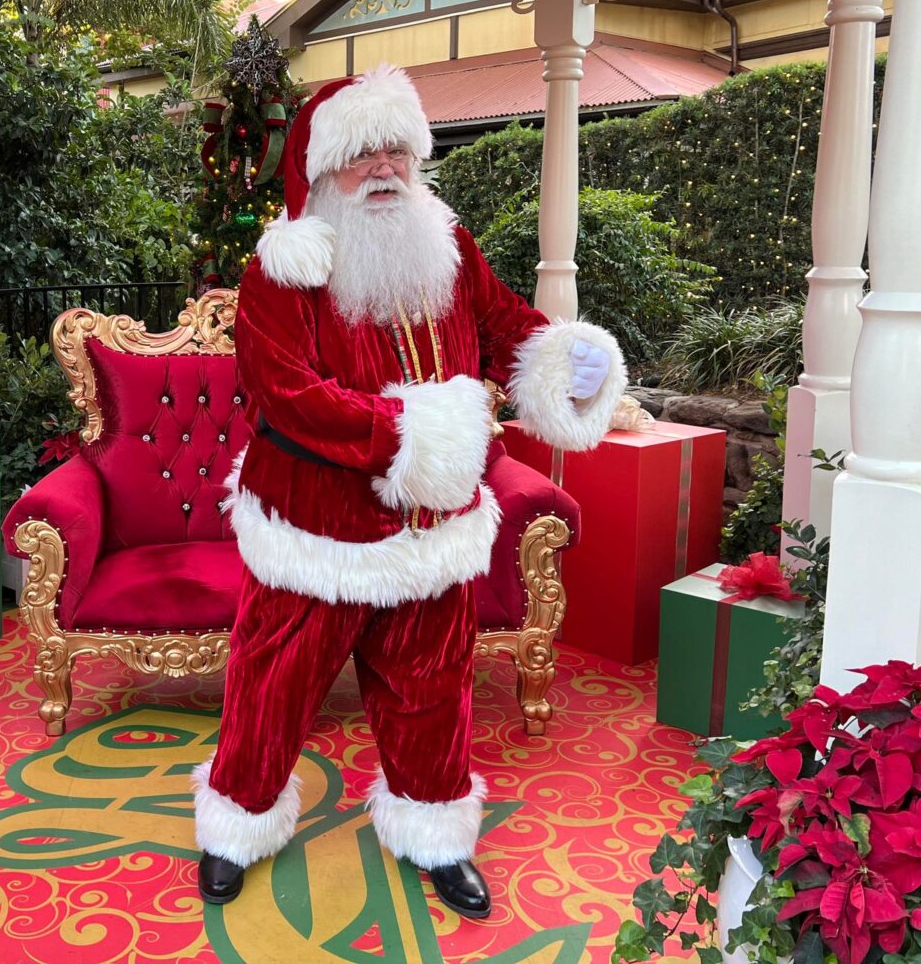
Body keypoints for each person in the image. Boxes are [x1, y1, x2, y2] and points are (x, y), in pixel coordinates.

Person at [191, 64, 626, 919]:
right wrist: (409, 436)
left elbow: (505, 329)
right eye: (362, 154)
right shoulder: (282, 272)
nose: (383, 168)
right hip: (317, 533)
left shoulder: (447, 243)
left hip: (435, 530)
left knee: (433, 689)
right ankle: (235, 825)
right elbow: (289, 395)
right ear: (321, 171)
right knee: (272, 688)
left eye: (398, 148)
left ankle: (435, 833)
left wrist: (564, 361)